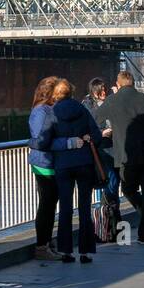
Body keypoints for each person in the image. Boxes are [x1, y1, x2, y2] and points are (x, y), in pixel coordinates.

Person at [97, 70, 144, 244]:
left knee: (128, 190)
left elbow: (95, 120)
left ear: (118, 84)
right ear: (134, 83)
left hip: (126, 154)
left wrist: (106, 133)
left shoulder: (111, 101)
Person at [35, 78, 102, 263]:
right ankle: (86, 252)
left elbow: (43, 142)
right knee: (85, 208)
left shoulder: (52, 113)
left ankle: (66, 251)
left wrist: (31, 142)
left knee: (65, 209)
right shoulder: (82, 109)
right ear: (71, 92)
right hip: (84, 164)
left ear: (56, 94)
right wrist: (87, 138)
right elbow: (96, 136)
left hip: (63, 166)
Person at [27, 76, 62, 260]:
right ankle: (42, 246)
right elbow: (41, 141)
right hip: (44, 163)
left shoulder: (47, 109)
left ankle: (47, 242)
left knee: (50, 204)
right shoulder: (41, 111)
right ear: (50, 92)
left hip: (51, 162)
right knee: (46, 205)